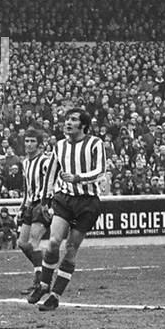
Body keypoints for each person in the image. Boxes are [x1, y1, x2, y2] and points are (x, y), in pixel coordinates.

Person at [32, 108, 105, 311]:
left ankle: (55, 295)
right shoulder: (60, 145)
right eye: (67, 119)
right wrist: (44, 201)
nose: (68, 123)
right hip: (64, 199)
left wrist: (79, 177)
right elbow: (51, 173)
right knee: (54, 242)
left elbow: (101, 170)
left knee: (71, 249)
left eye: (73, 120)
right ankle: (44, 284)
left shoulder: (95, 143)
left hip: (87, 202)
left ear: (83, 125)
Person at [15, 128, 57, 295]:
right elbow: (27, 188)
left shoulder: (45, 161)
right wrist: (22, 206)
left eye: (33, 141)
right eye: (27, 141)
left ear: (39, 145)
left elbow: (54, 181)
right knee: (22, 243)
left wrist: (50, 204)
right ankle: (44, 272)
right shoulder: (25, 163)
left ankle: (39, 281)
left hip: (42, 204)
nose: (29, 144)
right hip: (30, 205)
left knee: (34, 242)